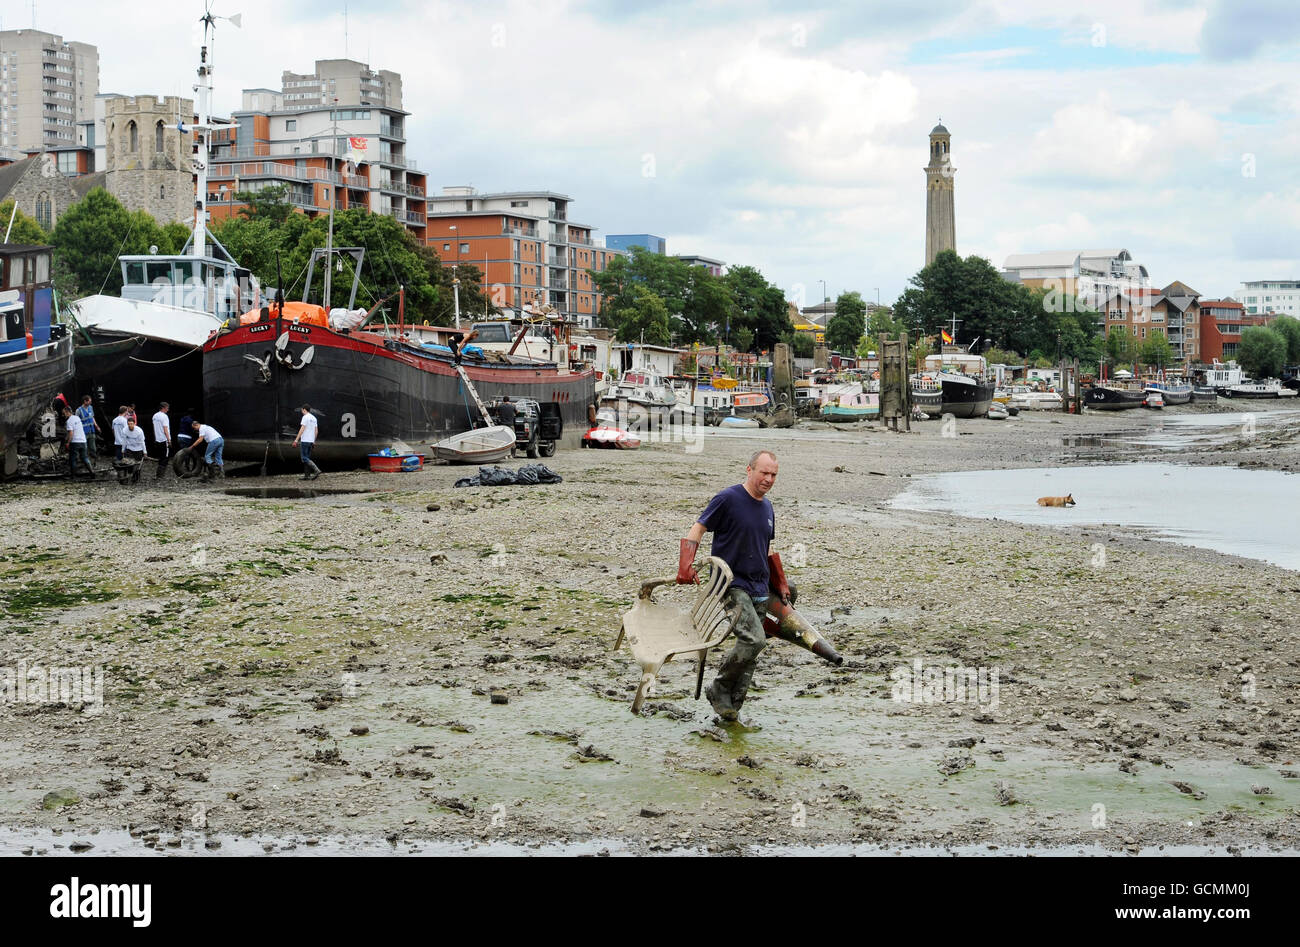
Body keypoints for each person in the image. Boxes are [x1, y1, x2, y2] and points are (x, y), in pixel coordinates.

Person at [677, 449, 787, 722]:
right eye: (764, 473)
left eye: (773, 474)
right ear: (749, 470)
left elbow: (767, 548)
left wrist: (780, 582)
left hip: (760, 586)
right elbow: (698, 528)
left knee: (753, 650)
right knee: (754, 639)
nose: (769, 479)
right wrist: (685, 565)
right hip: (731, 583)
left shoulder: (768, 507)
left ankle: (732, 711)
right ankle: (719, 688)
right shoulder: (727, 499)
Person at [62, 406, 94, 479]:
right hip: (83, 440)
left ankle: (73, 476)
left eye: (64, 413)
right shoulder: (77, 418)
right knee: (85, 458)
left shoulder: (69, 421)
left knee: (73, 459)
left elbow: (71, 433)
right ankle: (92, 473)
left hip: (75, 441)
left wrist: (68, 442)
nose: (63, 415)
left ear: (67, 412)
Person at [291, 404, 321, 480]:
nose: (302, 412)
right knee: (307, 458)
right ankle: (307, 476)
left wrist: (296, 440)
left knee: (304, 458)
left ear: (304, 410)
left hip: (305, 441)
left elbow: (302, 429)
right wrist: (314, 441)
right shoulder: (314, 418)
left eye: (302, 410)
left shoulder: (305, 417)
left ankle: (316, 470)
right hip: (311, 441)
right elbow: (316, 431)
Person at [119, 415, 147, 484]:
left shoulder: (139, 431)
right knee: (129, 464)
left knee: (137, 465)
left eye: (131, 424)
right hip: (130, 448)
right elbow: (124, 441)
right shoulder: (125, 430)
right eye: (128, 424)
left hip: (138, 449)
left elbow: (142, 442)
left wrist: (145, 452)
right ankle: (129, 477)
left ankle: (136, 478)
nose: (130, 425)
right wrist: (123, 449)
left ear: (134, 424)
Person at [151, 402, 171, 480]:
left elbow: (154, 428)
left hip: (158, 439)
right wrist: (169, 440)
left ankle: (158, 475)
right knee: (165, 457)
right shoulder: (164, 416)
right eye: (167, 408)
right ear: (164, 407)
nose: (168, 410)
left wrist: (155, 438)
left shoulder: (155, 416)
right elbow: (165, 429)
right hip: (164, 439)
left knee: (161, 457)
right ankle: (160, 476)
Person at [76, 395, 100, 460]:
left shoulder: (90, 408)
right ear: (85, 401)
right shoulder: (79, 410)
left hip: (91, 430)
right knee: (84, 446)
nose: (90, 402)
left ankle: (94, 457)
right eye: (89, 401)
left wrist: (96, 426)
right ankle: (84, 458)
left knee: (93, 446)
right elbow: (76, 421)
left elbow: (92, 417)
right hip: (83, 431)